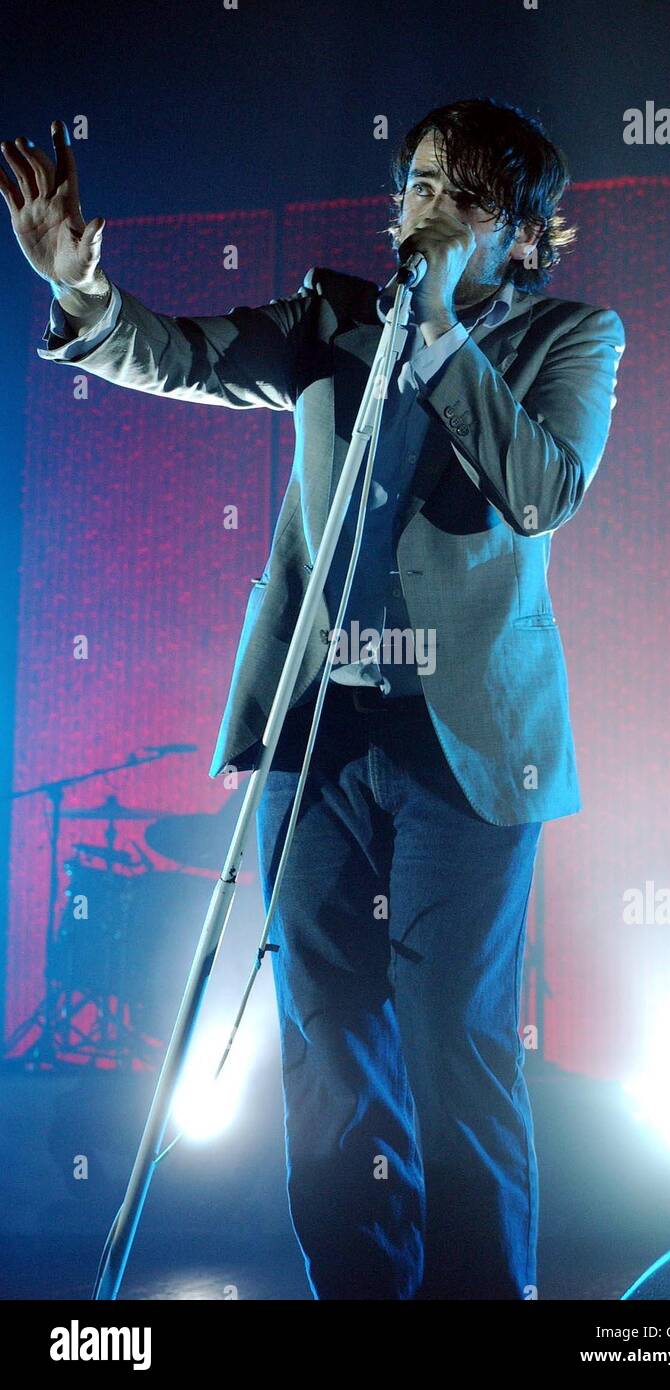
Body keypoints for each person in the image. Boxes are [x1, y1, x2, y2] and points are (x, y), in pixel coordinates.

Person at [1, 98, 626, 1299]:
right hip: (321, 734)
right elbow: (184, 355)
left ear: (524, 238)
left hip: (467, 749)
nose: (429, 207)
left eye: (465, 195)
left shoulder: (569, 338)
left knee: (455, 1047)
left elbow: (540, 492)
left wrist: (443, 337)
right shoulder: (335, 315)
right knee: (329, 1047)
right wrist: (84, 291)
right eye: (422, 181)